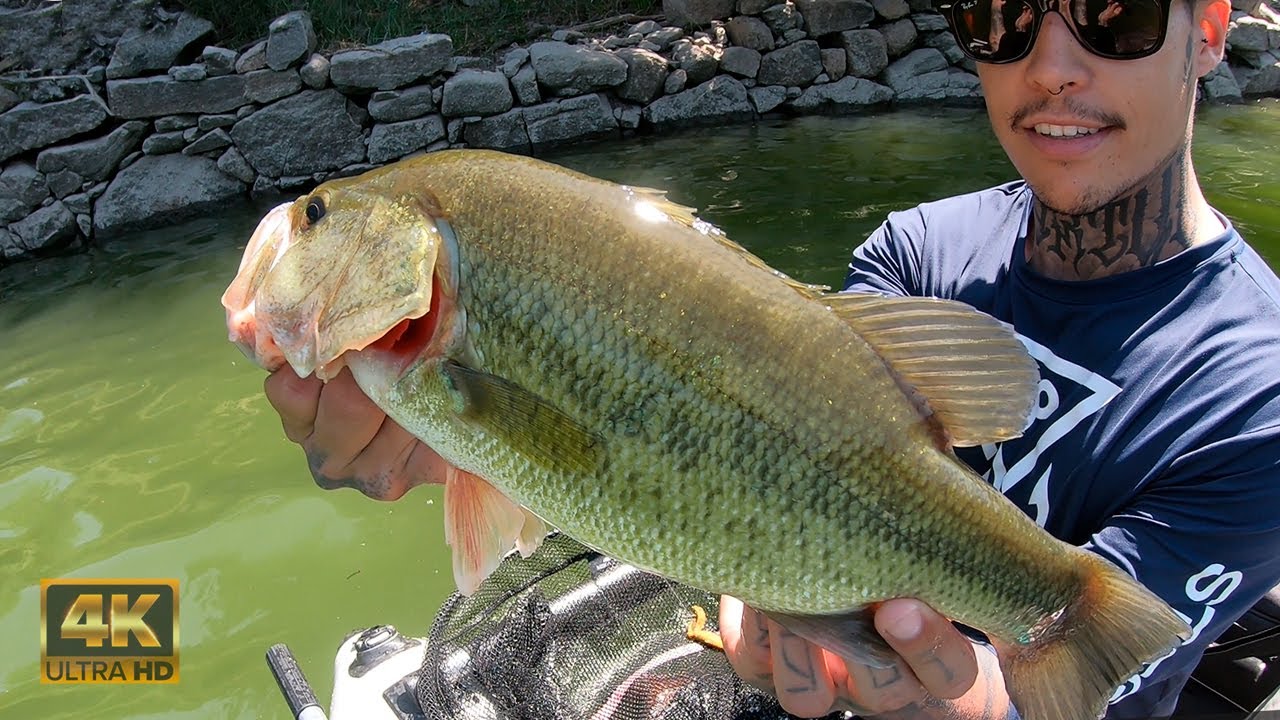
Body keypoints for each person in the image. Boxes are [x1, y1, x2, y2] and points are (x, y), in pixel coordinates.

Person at [262, 0, 1280, 716]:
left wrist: (946, 696)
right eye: (1000, 21)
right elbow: (758, 459)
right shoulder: (915, 252)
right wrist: (457, 450)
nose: (1050, 65)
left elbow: (1065, 695)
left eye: (1115, 16)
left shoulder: (1257, 395)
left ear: (1206, 29)